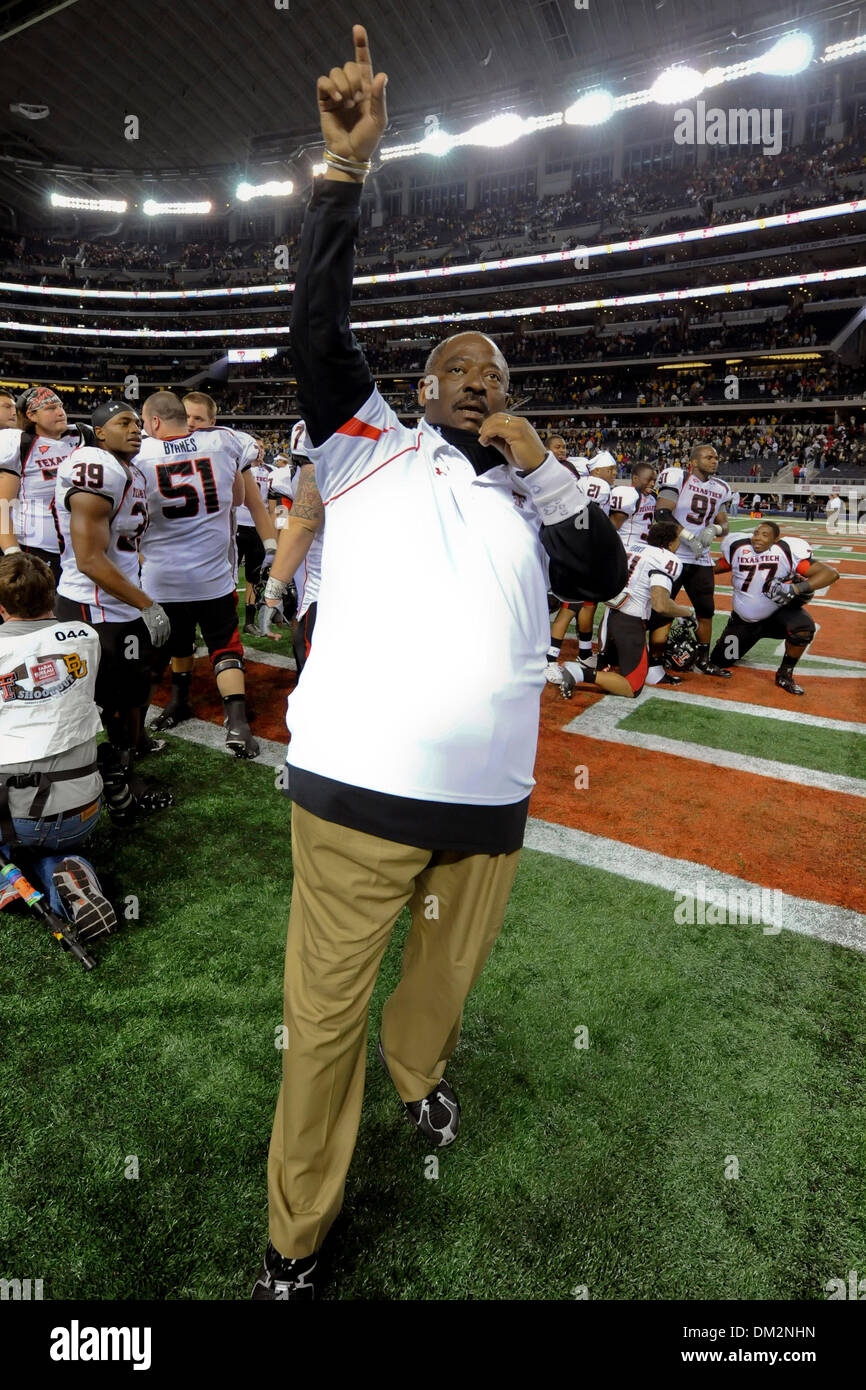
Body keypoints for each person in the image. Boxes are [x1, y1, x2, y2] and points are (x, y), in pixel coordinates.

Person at [252, 24, 626, 1302]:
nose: (480, 382)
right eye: (459, 370)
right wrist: (342, 172)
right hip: (354, 794)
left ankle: (420, 1083)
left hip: (491, 813)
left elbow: (604, 582)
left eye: (498, 374)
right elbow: (313, 320)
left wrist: (538, 460)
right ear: (418, 386)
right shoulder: (365, 445)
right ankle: (293, 1240)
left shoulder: (535, 492)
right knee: (323, 1024)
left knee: (436, 997)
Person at [135, 391, 274, 758]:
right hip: (212, 575)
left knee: (170, 645)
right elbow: (242, 497)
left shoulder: (140, 453)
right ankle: (238, 723)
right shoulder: (226, 441)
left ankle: (161, 712)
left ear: (153, 422)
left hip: (160, 578)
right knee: (224, 645)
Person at [54, 401, 173, 824]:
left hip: (117, 602)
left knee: (133, 691)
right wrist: (147, 603)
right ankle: (118, 784)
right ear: (100, 432)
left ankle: (125, 764)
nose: (136, 429)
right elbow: (88, 557)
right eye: (124, 423)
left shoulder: (131, 471)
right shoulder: (94, 464)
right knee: (110, 700)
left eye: (139, 423)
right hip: (94, 605)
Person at [0, 553, 118, 937]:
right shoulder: (87, 637)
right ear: (52, 596)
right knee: (52, 845)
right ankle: (65, 868)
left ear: (1, 608)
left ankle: (8, 881)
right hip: (82, 810)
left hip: (15, 819)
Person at [560, 520, 696, 699]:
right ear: (670, 542)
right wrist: (686, 612)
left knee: (617, 666)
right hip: (629, 622)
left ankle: (608, 665)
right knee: (632, 687)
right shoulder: (667, 559)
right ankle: (578, 672)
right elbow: (660, 605)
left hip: (609, 616)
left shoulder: (633, 548)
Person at [710, 521, 839, 694]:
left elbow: (830, 573)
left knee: (803, 627)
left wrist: (795, 588)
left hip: (776, 615)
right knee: (721, 660)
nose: (758, 538)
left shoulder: (786, 551)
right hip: (743, 622)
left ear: (776, 539)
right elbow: (716, 567)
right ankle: (728, 641)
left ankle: (785, 674)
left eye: (765, 535)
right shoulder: (738, 548)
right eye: (756, 533)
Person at [0, 387, 96, 582]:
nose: (61, 412)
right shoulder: (19, 443)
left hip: (83, 550)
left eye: (60, 406)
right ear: (31, 415)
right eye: (51, 408)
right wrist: (12, 553)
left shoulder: (83, 436)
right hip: (37, 550)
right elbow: (3, 506)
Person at [653, 445, 732, 677]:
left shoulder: (721, 488)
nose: (714, 461)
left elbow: (725, 524)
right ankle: (655, 660)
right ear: (694, 462)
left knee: (706, 610)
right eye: (709, 457)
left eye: (716, 457)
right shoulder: (679, 477)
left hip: (701, 559)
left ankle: (704, 659)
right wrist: (687, 536)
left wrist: (715, 529)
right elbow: (662, 514)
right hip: (674, 554)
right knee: (663, 609)